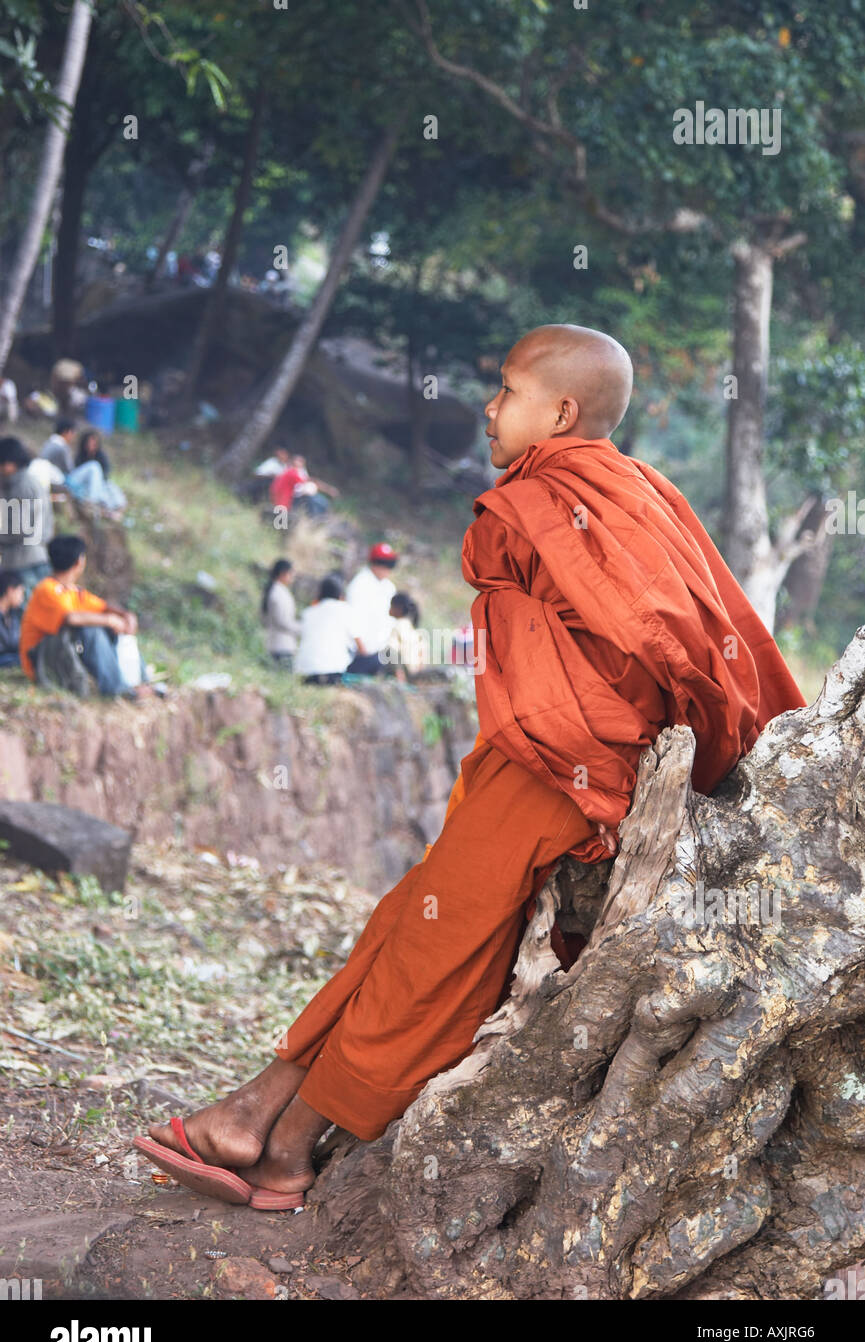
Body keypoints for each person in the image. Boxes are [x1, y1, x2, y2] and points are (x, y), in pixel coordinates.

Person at [133, 323, 806, 1211]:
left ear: (561, 411)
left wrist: (586, 749)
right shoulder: (613, 489)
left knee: (435, 949)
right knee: (411, 926)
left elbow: (665, 643)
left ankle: (286, 1145)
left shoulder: (587, 495)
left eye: (506, 390)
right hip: (528, 760)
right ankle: (257, 1112)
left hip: (567, 769)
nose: (489, 408)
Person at [20, 534, 150, 699]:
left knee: (109, 627)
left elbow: (102, 608)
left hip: (58, 654)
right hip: (40, 662)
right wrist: (110, 620)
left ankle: (140, 681)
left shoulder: (74, 591)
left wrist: (126, 616)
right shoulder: (46, 589)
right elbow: (71, 618)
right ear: (79, 562)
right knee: (91, 630)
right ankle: (118, 690)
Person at [0, 436, 53, 594]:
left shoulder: (23, 486)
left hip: (26, 563)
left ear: (10, 463)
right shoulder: (13, 484)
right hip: (21, 560)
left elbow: (23, 529)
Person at [294, 573, 367, 685]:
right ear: (340, 595)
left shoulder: (308, 612)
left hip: (304, 672)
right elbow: (362, 648)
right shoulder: (345, 610)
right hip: (333, 672)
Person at [345, 543, 398, 675]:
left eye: (389, 564)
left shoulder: (389, 588)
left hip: (380, 650)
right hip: (359, 651)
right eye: (382, 563)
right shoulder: (359, 584)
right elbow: (352, 619)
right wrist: (361, 648)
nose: (385, 568)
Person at [269, 453, 339, 520]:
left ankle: (320, 518)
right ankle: (317, 519)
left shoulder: (286, 472)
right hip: (284, 503)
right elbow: (307, 483)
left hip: (281, 501)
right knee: (316, 500)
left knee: (316, 499)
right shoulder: (292, 473)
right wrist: (328, 490)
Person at [262, 559, 300, 668]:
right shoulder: (278, 593)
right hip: (282, 644)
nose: (293, 576)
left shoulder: (276, 590)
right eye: (291, 573)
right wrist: (302, 628)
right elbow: (283, 621)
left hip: (277, 642)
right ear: (283, 573)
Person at [383, 592, 423, 679]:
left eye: (391, 606)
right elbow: (421, 654)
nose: (389, 609)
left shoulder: (398, 625)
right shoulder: (412, 627)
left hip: (403, 672)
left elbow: (391, 651)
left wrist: (399, 675)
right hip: (414, 672)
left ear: (399, 608)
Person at [0, 570, 24, 668]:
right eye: (21, 592)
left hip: (12, 658)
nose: (22, 597)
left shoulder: (14, 614)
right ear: (10, 590)